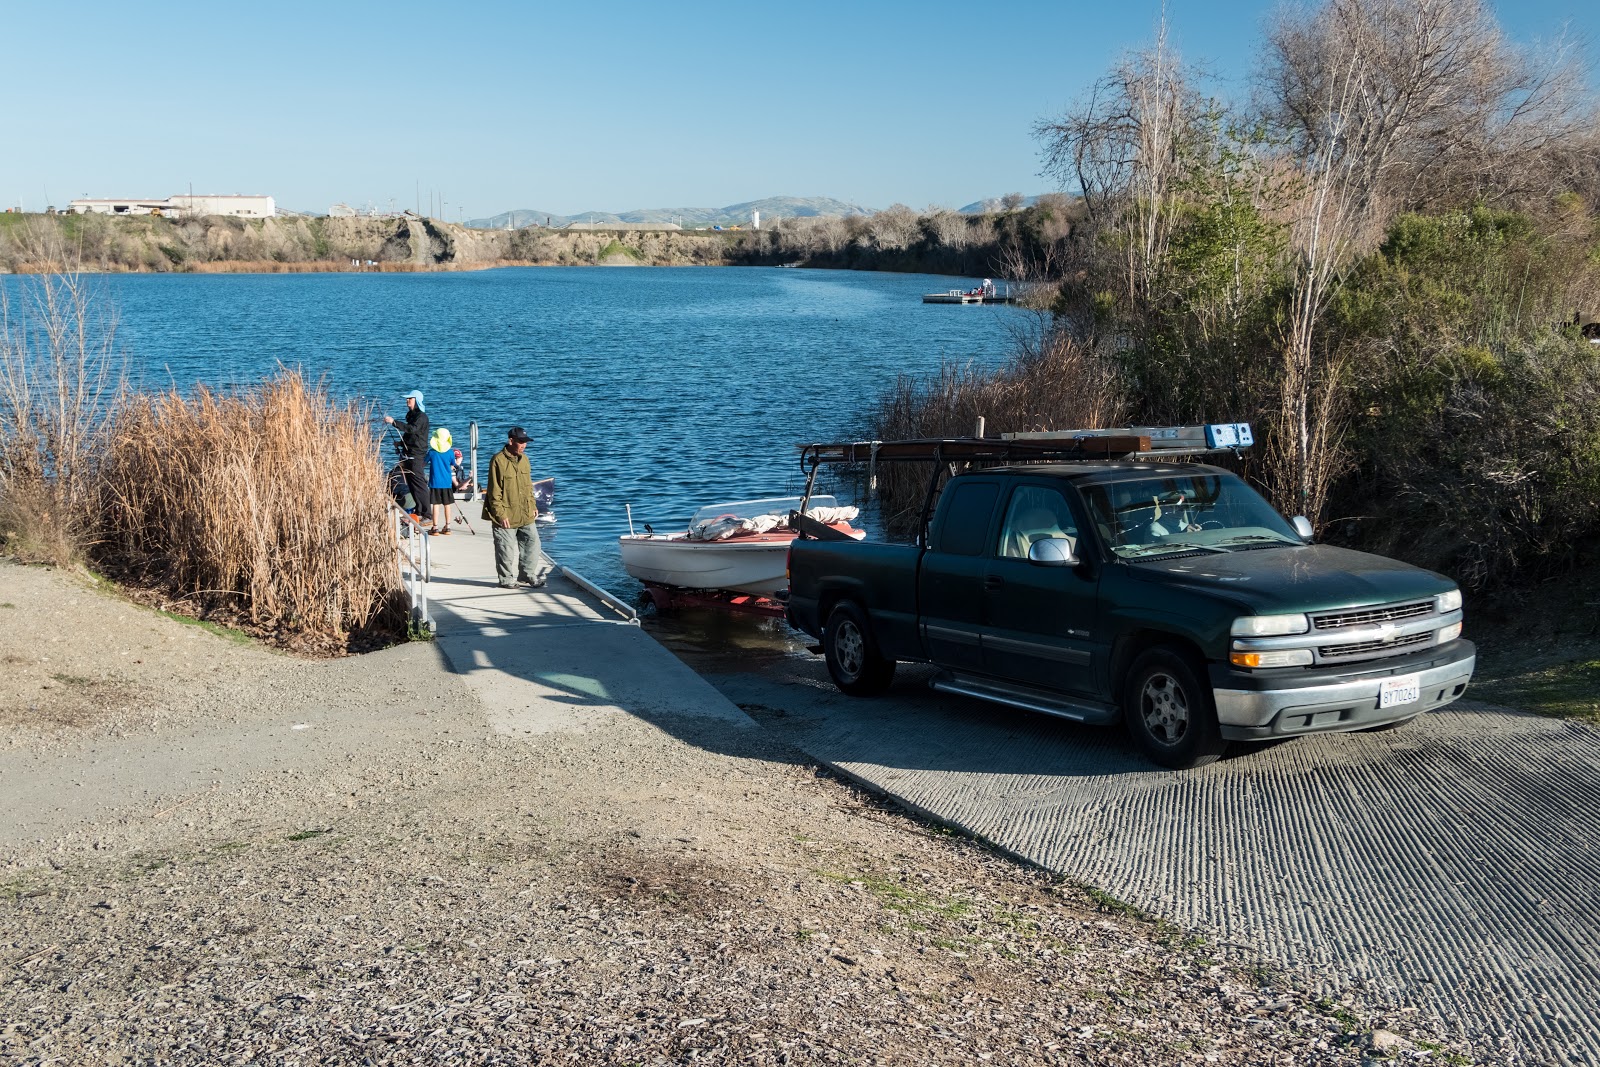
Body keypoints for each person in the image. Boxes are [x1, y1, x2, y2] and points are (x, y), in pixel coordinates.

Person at [483, 426, 547, 588]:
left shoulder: (524, 460)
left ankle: (527, 575)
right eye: (521, 442)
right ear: (511, 441)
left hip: (525, 512)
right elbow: (493, 491)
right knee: (505, 549)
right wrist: (500, 514)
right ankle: (506, 579)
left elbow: (528, 486)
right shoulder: (497, 460)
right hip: (506, 514)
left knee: (533, 543)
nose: (524, 445)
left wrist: (532, 505)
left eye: (526, 442)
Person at [383, 389, 430, 520]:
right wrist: (401, 443)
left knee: (419, 484)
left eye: (410, 398)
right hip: (407, 453)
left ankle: (427, 514)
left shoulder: (422, 417)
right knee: (411, 483)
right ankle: (419, 511)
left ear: (417, 400)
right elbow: (409, 435)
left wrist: (394, 422)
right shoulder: (411, 415)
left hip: (417, 454)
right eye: (407, 398)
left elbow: (412, 429)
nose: (407, 400)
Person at [427, 427, 456, 534]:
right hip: (447, 483)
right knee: (447, 505)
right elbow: (453, 464)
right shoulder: (450, 453)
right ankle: (448, 526)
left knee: (435, 505)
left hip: (434, 483)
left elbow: (423, 463)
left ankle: (435, 527)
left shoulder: (432, 452)